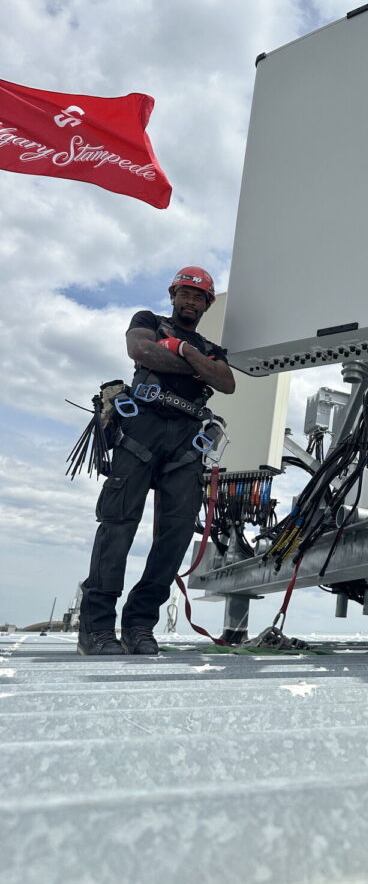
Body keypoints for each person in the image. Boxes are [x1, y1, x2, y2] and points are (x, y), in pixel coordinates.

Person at [78, 266, 236, 656]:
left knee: (176, 535)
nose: (190, 301)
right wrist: (199, 367)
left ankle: (138, 626)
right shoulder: (148, 321)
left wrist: (180, 350)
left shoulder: (211, 347)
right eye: (184, 293)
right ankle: (96, 628)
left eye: (198, 297)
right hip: (142, 427)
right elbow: (141, 350)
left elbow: (226, 382)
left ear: (206, 304)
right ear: (173, 296)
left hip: (187, 440)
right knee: (117, 524)